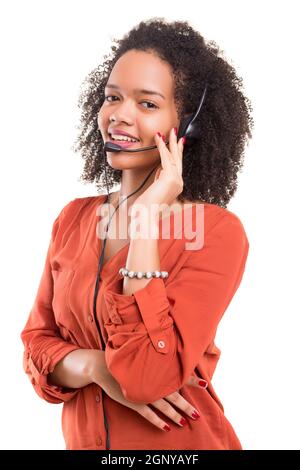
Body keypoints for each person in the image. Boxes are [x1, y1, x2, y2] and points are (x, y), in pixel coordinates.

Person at [20, 18, 253, 450]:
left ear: (189, 125)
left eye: (147, 104)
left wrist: (145, 222)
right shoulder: (73, 218)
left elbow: (147, 377)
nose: (119, 115)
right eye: (113, 98)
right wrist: (95, 368)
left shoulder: (218, 232)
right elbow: (35, 347)